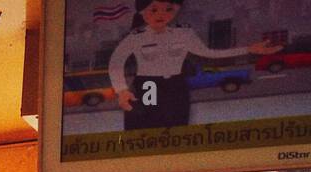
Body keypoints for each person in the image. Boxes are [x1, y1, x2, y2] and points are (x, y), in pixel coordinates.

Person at [108, 1, 280, 131]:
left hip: (175, 84)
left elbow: (209, 53)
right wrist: (122, 90)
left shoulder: (184, 33)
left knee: (177, 126)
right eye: (153, 9)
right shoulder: (136, 36)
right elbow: (116, 62)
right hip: (149, 85)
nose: (161, 14)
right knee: (150, 124)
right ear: (142, 12)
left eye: (169, 9)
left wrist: (249, 49)